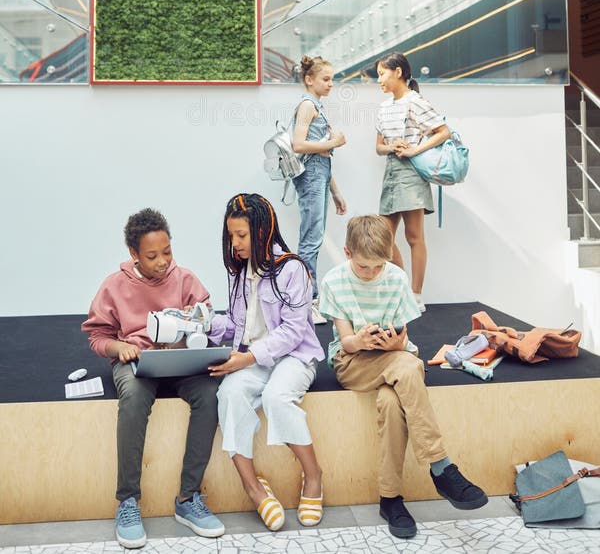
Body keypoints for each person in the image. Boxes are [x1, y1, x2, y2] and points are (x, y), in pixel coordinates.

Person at [319, 215, 488, 539]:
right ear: (347, 253)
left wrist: (394, 342)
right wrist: (361, 340)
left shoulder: (395, 277)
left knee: (391, 402)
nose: (371, 273)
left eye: (377, 267)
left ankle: (390, 499)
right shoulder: (334, 282)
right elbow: (346, 340)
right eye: (363, 267)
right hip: (353, 361)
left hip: (394, 357)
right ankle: (441, 467)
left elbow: (403, 334)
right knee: (410, 366)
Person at [82, 208, 224, 548]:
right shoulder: (114, 286)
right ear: (133, 254)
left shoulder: (186, 279)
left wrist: (200, 320)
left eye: (167, 252)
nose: (162, 262)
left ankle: (188, 499)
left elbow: (211, 321)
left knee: (210, 395)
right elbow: (97, 338)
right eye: (152, 255)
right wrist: (120, 348)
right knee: (132, 399)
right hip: (137, 361)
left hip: (180, 360)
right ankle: (127, 501)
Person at [208, 193, 325, 531]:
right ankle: (254, 488)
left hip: (294, 357)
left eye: (241, 235)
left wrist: (247, 358)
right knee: (229, 395)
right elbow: (236, 324)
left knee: (276, 396)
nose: (235, 243)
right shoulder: (239, 270)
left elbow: (293, 331)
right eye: (231, 236)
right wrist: (202, 324)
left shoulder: (292, 269)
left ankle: (314, 476)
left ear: (262, 231)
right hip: (253, 357)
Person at [375, 51, 450, 311]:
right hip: (391, 172)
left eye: (382, 74)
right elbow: (378, 147)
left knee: (414, 236)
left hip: (411, 172)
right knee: (381, 237)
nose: (379, 80)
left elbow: (443, 132)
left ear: (398, 72)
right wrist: (391, 145)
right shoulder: (384, 108)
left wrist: (414, 150)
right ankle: (402, 287)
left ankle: (416, 295)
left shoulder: (415, 101)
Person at [291, 54, 347, 324]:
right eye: (326, 79)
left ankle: (308, 299)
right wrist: (333, 142)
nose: (331, 84)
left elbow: (322, 155)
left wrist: (335, 191)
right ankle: (307, 301)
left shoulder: (316, 106)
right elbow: (298, 145)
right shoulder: (307, 106)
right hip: (312, 175)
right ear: (309, 79)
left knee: (313, 237)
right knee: (310, 240)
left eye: (332, 79)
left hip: (319, 175)